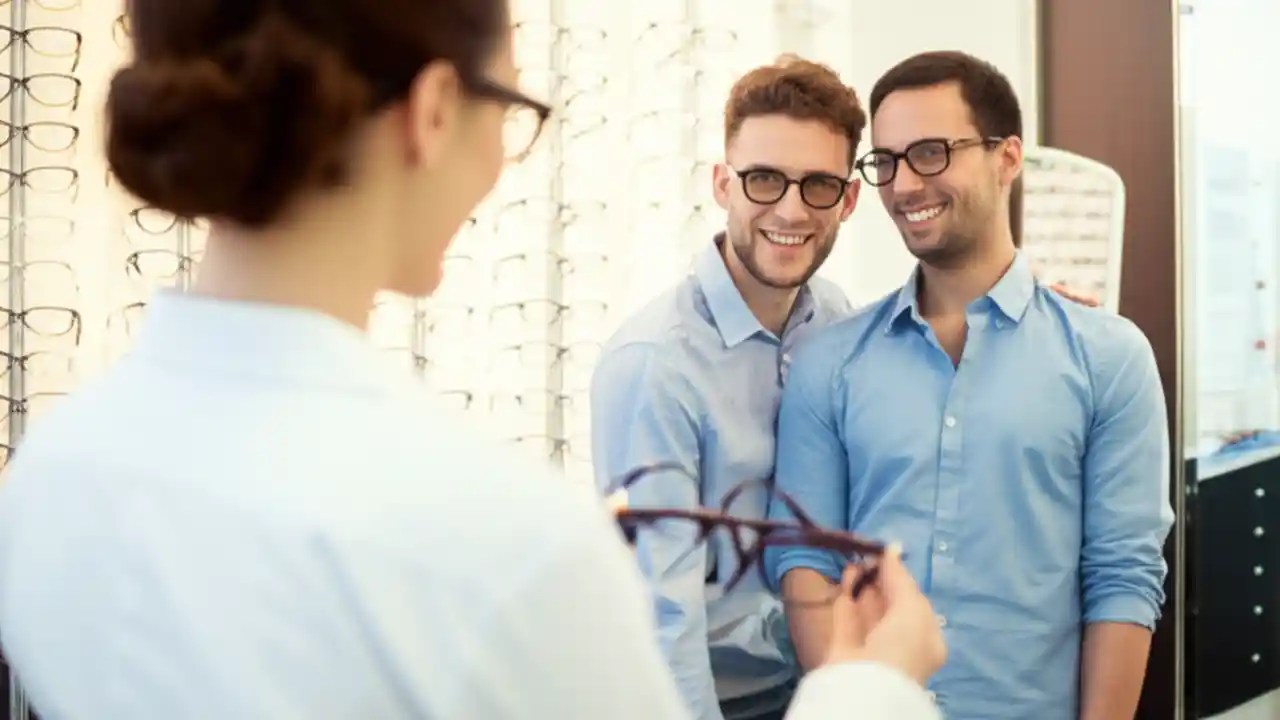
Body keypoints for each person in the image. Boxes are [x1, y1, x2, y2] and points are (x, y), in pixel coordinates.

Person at [0, 2, 946, 718]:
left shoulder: (46, 480)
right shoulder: (504, 539)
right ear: (437, 110)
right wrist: (874, 690)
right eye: (514, 107)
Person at [764, 50, 1175, 720]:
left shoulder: (1109, 358)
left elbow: (1123, 576)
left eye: (930, 153)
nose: (902, 185)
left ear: (1007, 157)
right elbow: (805, 558)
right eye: (887, 161)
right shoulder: (828, 363)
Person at [589, 55, 863, 720]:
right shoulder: (654, 362)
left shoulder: (834, 320)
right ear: (723, 184)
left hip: (815, 687)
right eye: (765, 179)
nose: (792, 210)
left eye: (819, 185)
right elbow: (663, 617)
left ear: (849, 199)